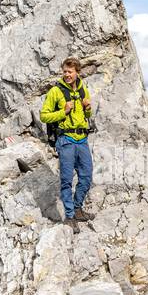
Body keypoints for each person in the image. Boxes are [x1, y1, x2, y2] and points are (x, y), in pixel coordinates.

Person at [39, 57, 95, 224]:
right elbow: (44, 116)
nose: (67, 74)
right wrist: (63, 112)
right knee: (66, 180)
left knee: (86, 176)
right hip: (65, 140)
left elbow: (87, 116)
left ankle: (77, 208)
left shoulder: (83, 89)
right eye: (64, 71)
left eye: (70, 72)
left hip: (82, 139)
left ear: (77, 72)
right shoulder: (55, 92)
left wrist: (87, 109)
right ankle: (69, 217)